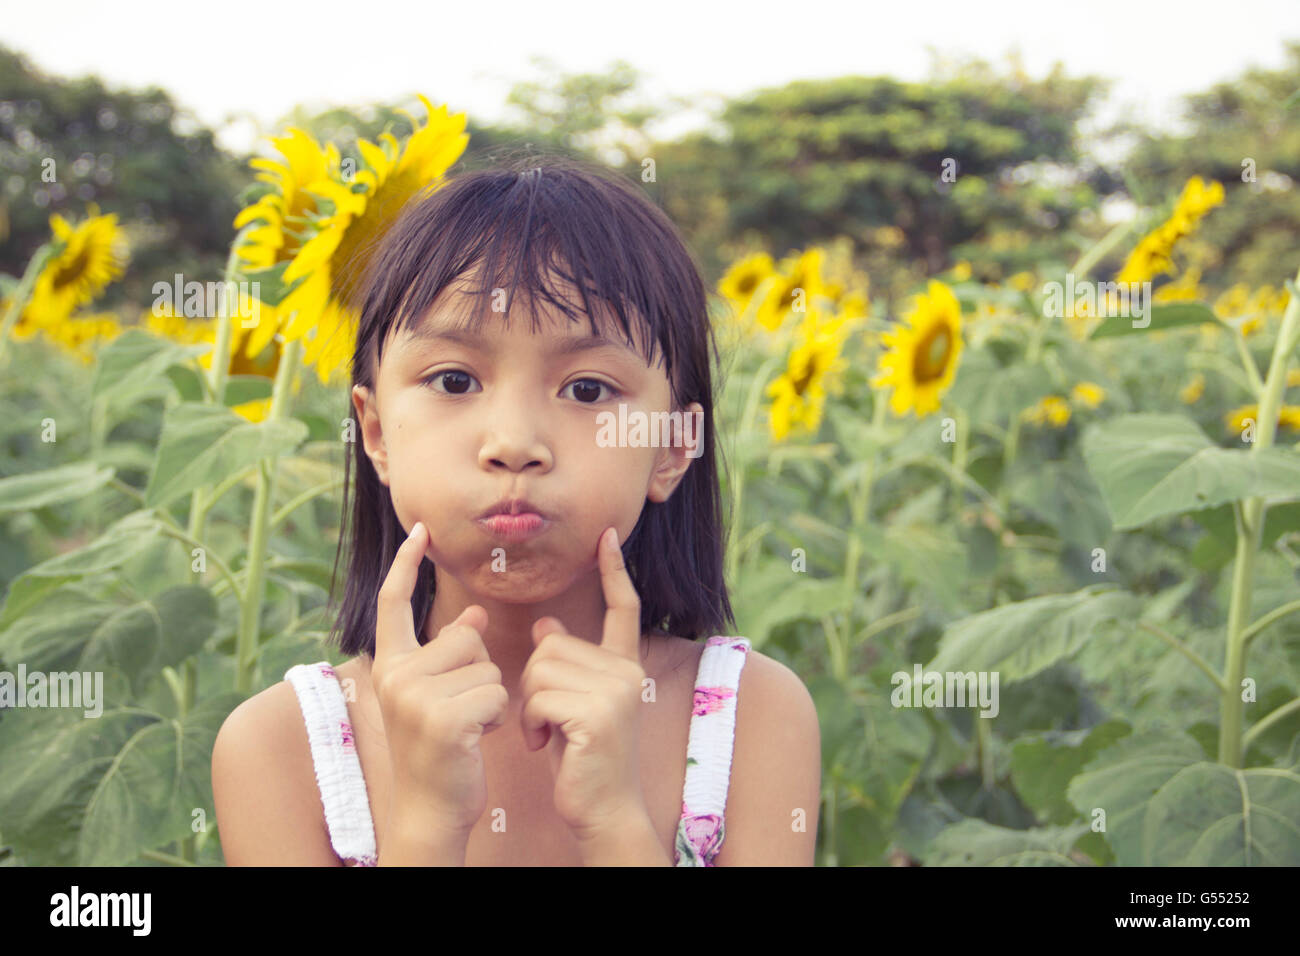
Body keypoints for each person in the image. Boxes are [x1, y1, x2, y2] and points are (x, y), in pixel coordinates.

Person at [211, 153, 821, 866]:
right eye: (454, 378)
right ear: (374, 432)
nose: (514, 444)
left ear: (673, 447)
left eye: (588, 391)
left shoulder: (752, 717)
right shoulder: (282, 747)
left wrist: (614, 821)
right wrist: (428, 825)